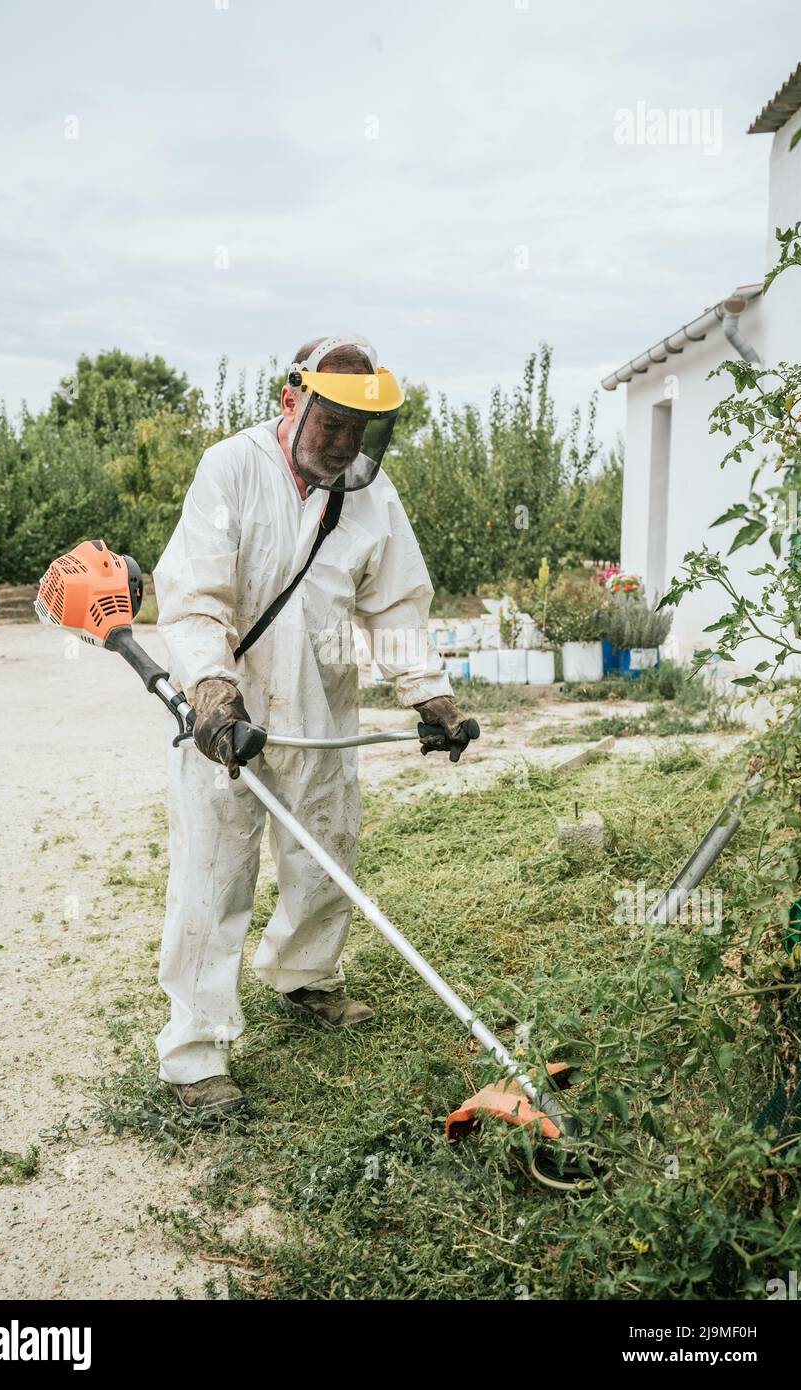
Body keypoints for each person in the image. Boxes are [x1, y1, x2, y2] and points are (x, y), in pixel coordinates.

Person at [153, 335, 478, 1114]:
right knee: (213, 871)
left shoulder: (370, 493)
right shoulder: (229, 468)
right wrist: (210, 689)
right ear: (290, 402)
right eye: (330, 424)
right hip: (224, 706)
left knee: (325, 850)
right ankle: (196, 1052)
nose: (342, 444)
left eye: (357, 431)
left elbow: (395, 603)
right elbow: (195, 595)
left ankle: (304, 977)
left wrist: (428, 695)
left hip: (321, 704)